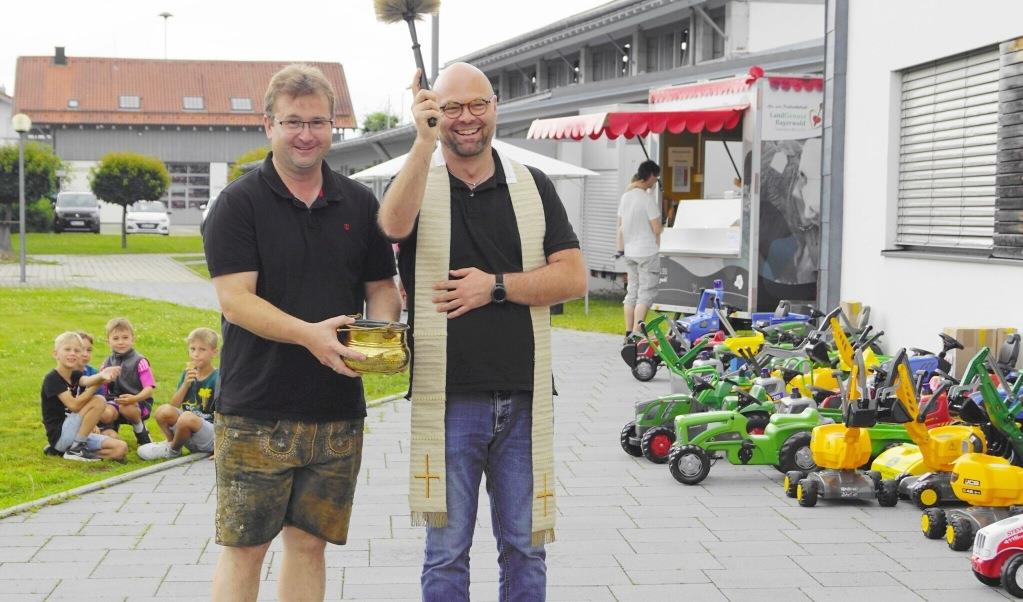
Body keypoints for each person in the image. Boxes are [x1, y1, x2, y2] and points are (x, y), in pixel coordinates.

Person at [378, 63, 587, 601]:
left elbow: (572, 277)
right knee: (446, 552)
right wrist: (422, 143)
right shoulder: (419, 182)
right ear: (435, 113)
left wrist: (493, 287)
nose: (466, 118)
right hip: (449, 399)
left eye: (477, 105)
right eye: (451, 107)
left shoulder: (531, 185)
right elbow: (392, 226)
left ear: (496, 107)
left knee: (526, 548)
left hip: (523, 394)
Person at [203, 63, 401, 602]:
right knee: (245, 548)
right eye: (293, 122)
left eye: (317, 122)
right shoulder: (238, 204)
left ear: (333, 125)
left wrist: (380, 337)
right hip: (256, 409)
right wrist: (311, 335)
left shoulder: (359, 203)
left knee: (310, 546)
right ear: (268, 125)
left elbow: (381, 287)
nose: (306, 134)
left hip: (336, 408)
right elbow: (235, 300)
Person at [41, 331, 128, 462]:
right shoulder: (52, 379)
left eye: (77, 351)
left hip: (77, 432)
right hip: (61, 436)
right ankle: (76, 448)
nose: (72, 353)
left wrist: (103, 374)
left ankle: (71, 452)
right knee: (98, 400)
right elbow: (74, 406)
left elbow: (87, 380)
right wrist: (98, 384)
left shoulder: (75, 375)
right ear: (56, 354)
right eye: (67, 349)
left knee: (121, 448)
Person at [138, 327, 219, 460]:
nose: (196, 354)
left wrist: (221, 447)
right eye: (192, 349)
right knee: (163, 411)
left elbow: (225, 413)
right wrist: (185, 384)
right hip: (188, 429)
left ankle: (173, 451)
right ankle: (172, 443)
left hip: (211, 435)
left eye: (202, 349)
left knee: (187, 417)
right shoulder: (187, 374)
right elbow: (174, 406)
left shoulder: (218, 378)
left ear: (214, 353)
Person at [616, 160, 663, 339]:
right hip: (647, 252)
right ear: (650, 176)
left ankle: (628, 333)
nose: (656, 181)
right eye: (656, 178)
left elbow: (621, 225)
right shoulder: (647, 199)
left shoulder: (626, 197)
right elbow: (656, 228)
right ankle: (637, 335)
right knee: (645, 293)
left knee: (632, 292)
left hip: (630, 251)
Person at [100, 317, 155, 445]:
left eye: (125, 337)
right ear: (108, 341)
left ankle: (140, 429)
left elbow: (149, 388)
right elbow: (102, 389)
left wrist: (134, 398)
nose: (121, 342)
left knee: (127, 408)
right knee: (105, 413)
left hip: (137, 402)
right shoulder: (106, 363)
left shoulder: (140, 361)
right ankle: (110, 428)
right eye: (115, 338)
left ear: (132, 339)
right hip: (114, 401)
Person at [78, 330, 120, 438]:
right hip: (76, 418)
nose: (85, 354)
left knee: (113, 436)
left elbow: (101, 400)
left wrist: (94, 422)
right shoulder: (65, 375)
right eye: (81, 349)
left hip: (95, 416)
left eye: (89, 350)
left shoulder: (94, 373)